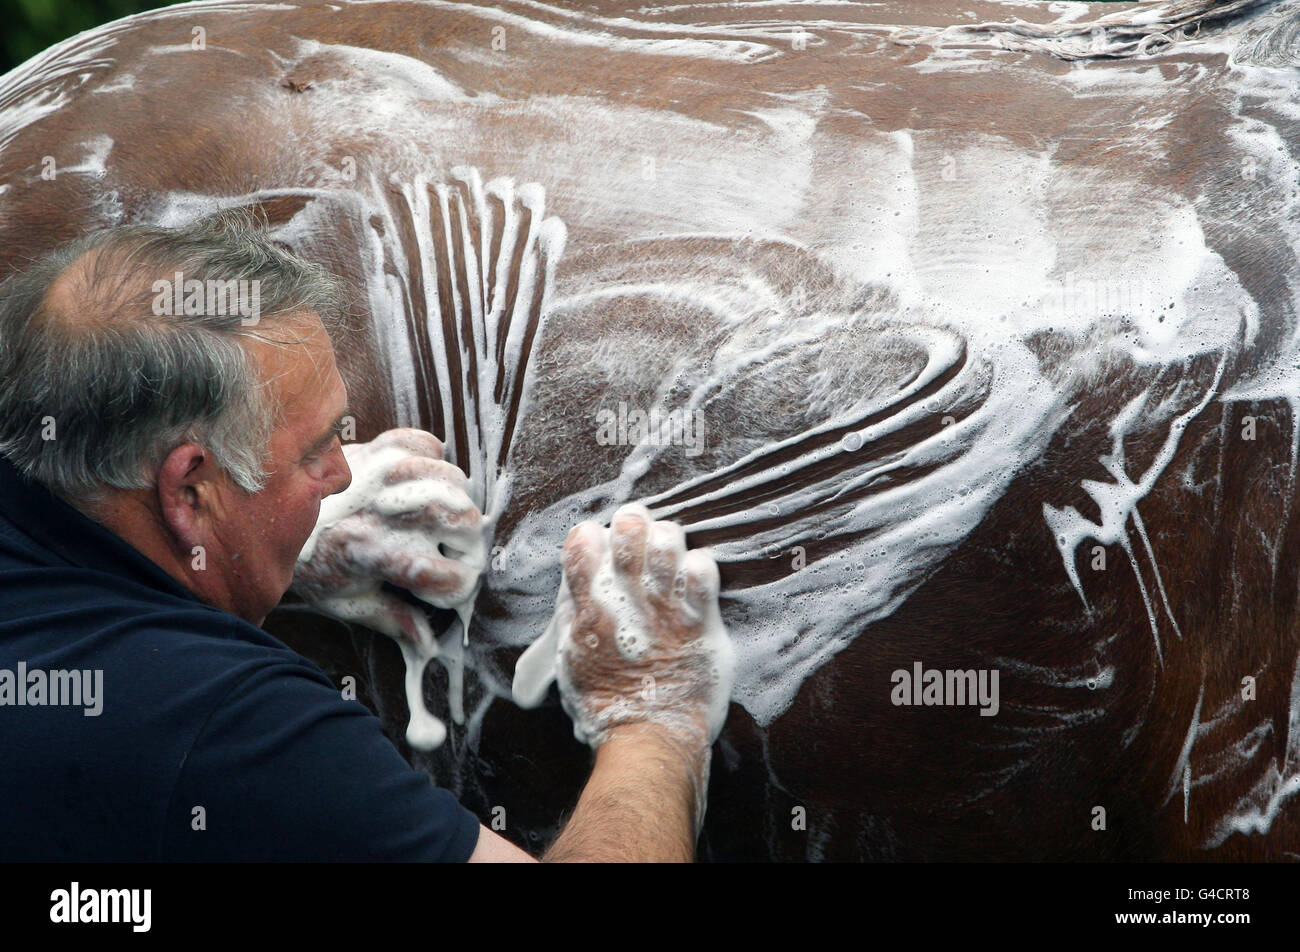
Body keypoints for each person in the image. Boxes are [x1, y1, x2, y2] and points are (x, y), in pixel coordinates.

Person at [0, 210, 731, 862]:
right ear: (190, 491)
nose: (346, 477)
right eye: (315, 451)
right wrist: (652, 720)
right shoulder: (233, 735)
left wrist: (268, 540)